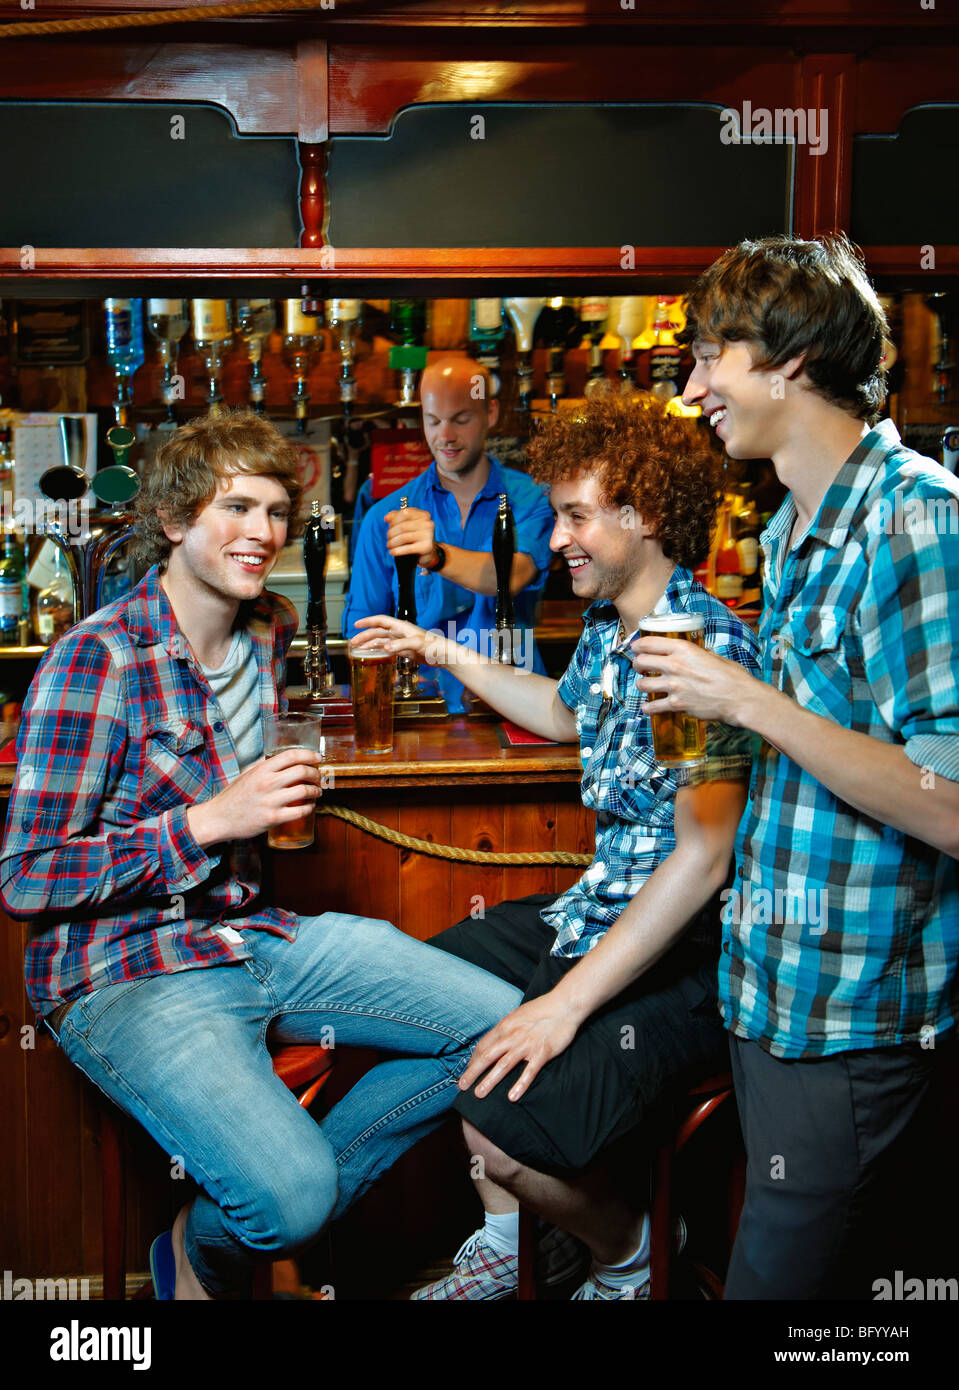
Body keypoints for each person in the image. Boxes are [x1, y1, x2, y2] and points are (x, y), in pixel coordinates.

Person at [0, 409, 522, 1300]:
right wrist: (207, 823)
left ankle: (271, 1201)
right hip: (125, 969)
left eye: (275, 511)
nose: (261, 532)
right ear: (174, 521)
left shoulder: (268, 628)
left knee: (503, 1028)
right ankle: (207, 1247)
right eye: (234, 508)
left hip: (256, 934)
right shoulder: (99, 659)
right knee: (291, 1204)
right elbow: (26, 874)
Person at [354, 394, 762, 1299]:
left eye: (575, 516)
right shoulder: (612, 628)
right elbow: (557, 711)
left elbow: (704, 859)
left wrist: (563, 1006)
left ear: (644, 515)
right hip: (597, 905)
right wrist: (436, 647)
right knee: (417, 990)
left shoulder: (690, 652)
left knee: (503, 1121)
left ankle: (629, 1256)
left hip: (686, 945)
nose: (556, 537)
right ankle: (513, 1239)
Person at [632, 234, 959, 1299]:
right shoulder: (792, 525)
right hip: (771, 984)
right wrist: (706, 715)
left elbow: (949, 806)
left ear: (785, 359)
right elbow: (808, 744)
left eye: (707, 357)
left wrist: (747, 702)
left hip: (856, 1008)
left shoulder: (916, 519)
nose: (692, 391)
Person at [343, 355, 554, 711]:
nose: (446, 436)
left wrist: (436, 555)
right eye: (433, 421)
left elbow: (512, 574)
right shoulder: (384, 515)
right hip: (422, 710)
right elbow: (362, 626)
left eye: (460, 419)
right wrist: (382, 663)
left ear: (490, 413)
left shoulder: (533, 499)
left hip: (518, 706)